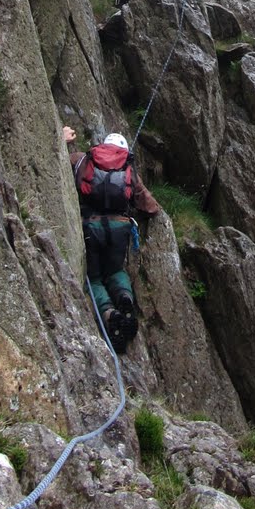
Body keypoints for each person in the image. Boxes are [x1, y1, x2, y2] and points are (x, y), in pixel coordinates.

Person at [63, 125, 159, 351]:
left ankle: (108, 312)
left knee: (94, 278)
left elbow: (57, 157)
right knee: (116, 271)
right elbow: (149, 206)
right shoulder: (128, 168)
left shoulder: (83, 159)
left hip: (90, 226)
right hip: (119, 227)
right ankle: (125, 298)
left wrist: (63, 138)